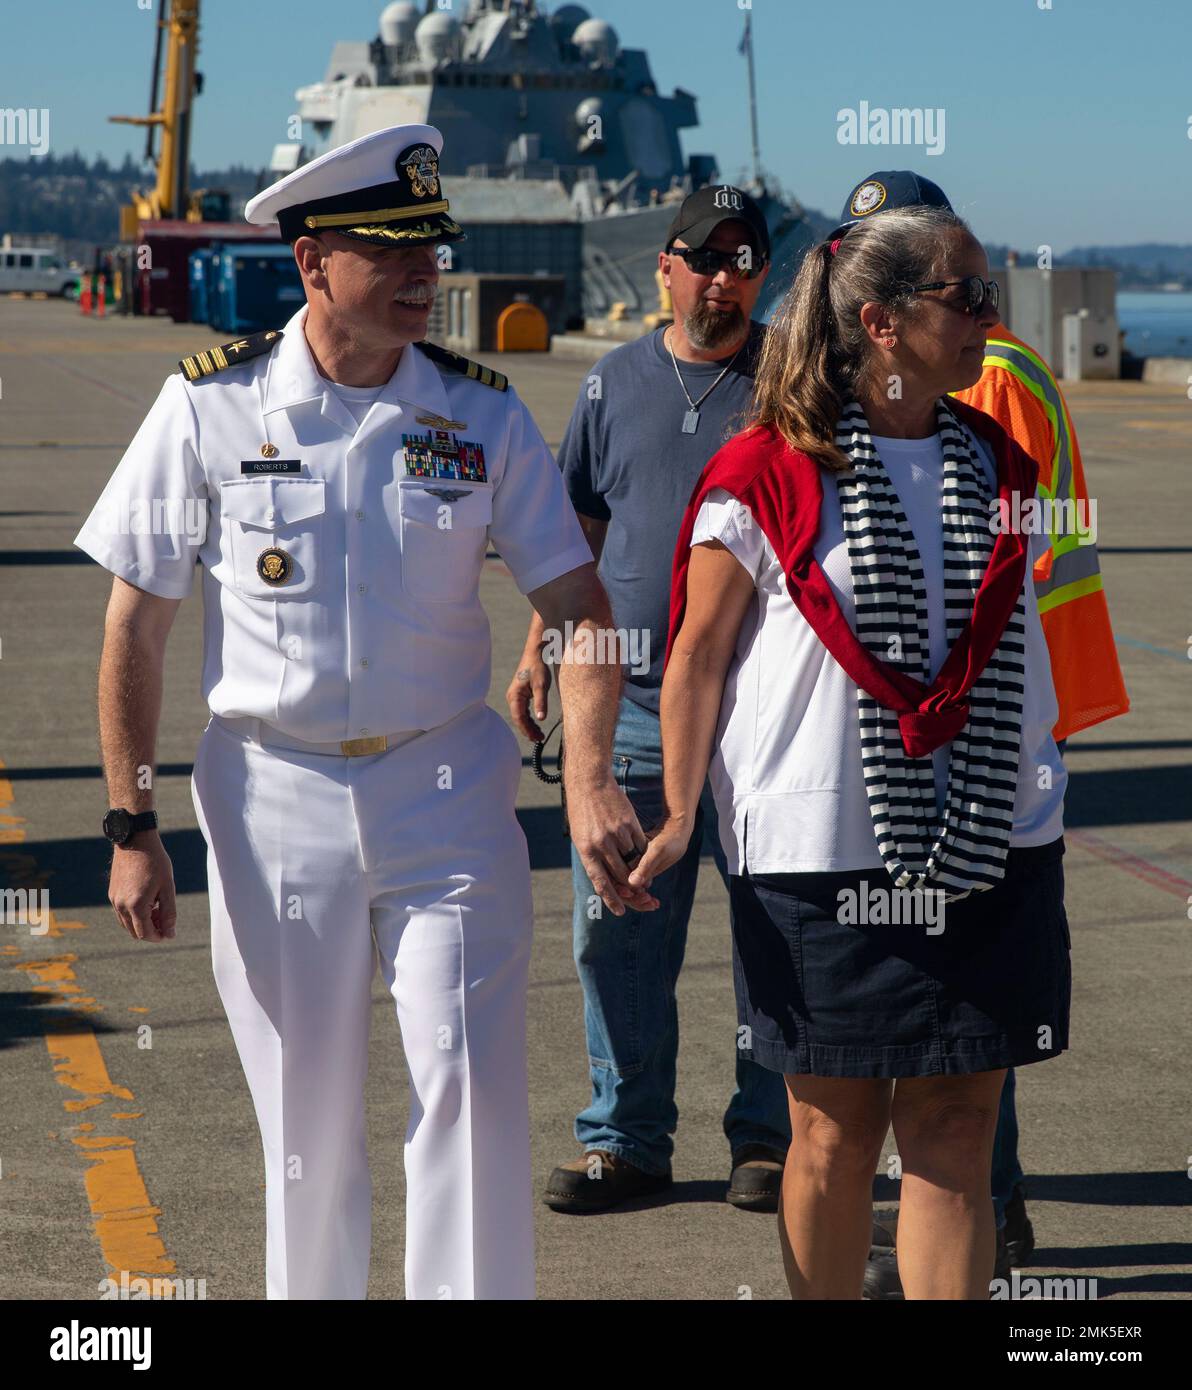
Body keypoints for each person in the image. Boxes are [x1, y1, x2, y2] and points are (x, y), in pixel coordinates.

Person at [74, 123, 655, 1301]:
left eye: (427, 249)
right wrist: (129, 824)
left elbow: (585, 608)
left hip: (444, 791)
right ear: (312, 264)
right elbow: (135, 624)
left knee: (476, 1087)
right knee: (308, 1117)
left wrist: (590, 771)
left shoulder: (482, 416)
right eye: (389, 250)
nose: (421, 275)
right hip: (270, 797)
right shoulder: (208, 408)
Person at [631, 203, 1072, 1298]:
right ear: (879, 322)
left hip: (989, 840)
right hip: (822, 853)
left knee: (960, 1128)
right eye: (965, 296)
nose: (989, 316)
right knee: (828, 1134)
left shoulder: (1004, 467)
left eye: (990, 293)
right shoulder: (768, 471)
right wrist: (679, 814)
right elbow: (694, 660)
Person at [824, 173, 1128, 1298]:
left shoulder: (986, 381)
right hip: (990, 701)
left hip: (991, 713)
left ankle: (981, 1217)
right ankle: (975, 1212)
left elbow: (993, 553)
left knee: (958, 1023)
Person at [506, 185, 792, 1214]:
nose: (723, 275)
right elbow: (572, 532)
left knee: (774, 931)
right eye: (703, 256)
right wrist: (539, 644)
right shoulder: (609, 384)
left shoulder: (794, 384)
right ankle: (624, 1137)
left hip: (762, 711)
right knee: (615, 924)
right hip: (625, 699)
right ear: (666, 267)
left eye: (743, 257)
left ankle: (767, 1136)